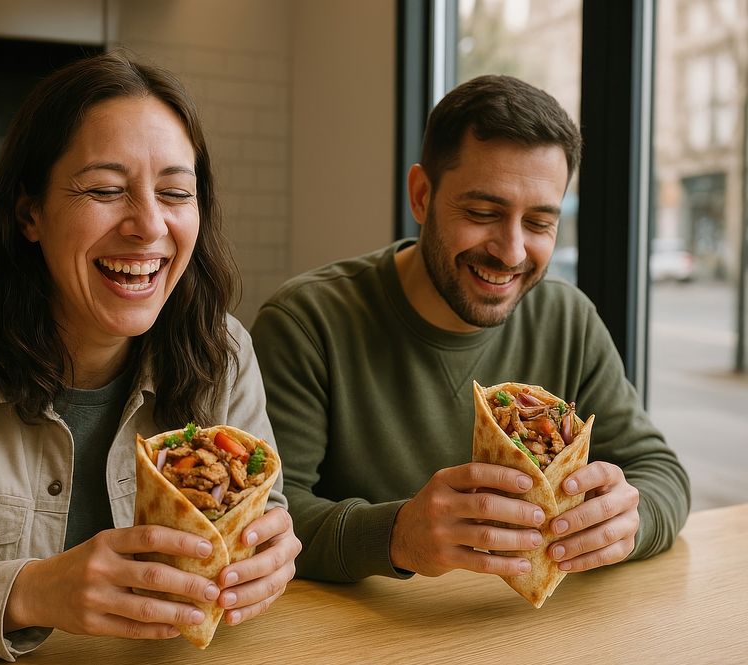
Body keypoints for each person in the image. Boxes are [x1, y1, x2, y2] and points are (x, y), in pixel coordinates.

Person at [0, 52, 300, 660]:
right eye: (104, 190)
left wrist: (268, 555)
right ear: (30, 213)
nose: (149, 225)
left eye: (176, 192)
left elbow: (267, 516)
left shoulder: (222, 352)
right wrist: (32, 592)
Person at [250, 74, 689, 584]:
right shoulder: (308, 323)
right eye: (483, 212)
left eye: (540, 223)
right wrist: (394, 536)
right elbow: (266, 519)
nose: (512, 252)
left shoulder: (567, 318)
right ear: (421, 195)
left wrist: (625, 522)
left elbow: (660, 471)